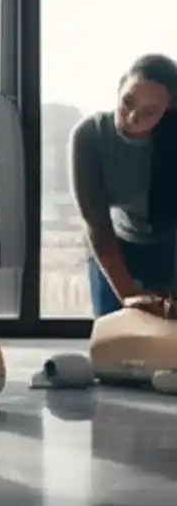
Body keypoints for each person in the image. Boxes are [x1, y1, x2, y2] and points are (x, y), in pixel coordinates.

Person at [70, 54, 177, 318]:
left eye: (149, 112)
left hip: (170, 246)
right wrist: (128, 295)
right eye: (127, 102)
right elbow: (96, 223)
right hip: (115, 245)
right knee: (118, 328)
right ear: (119, 88)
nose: (131, 117)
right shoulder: (90, 135)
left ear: (168, 110)